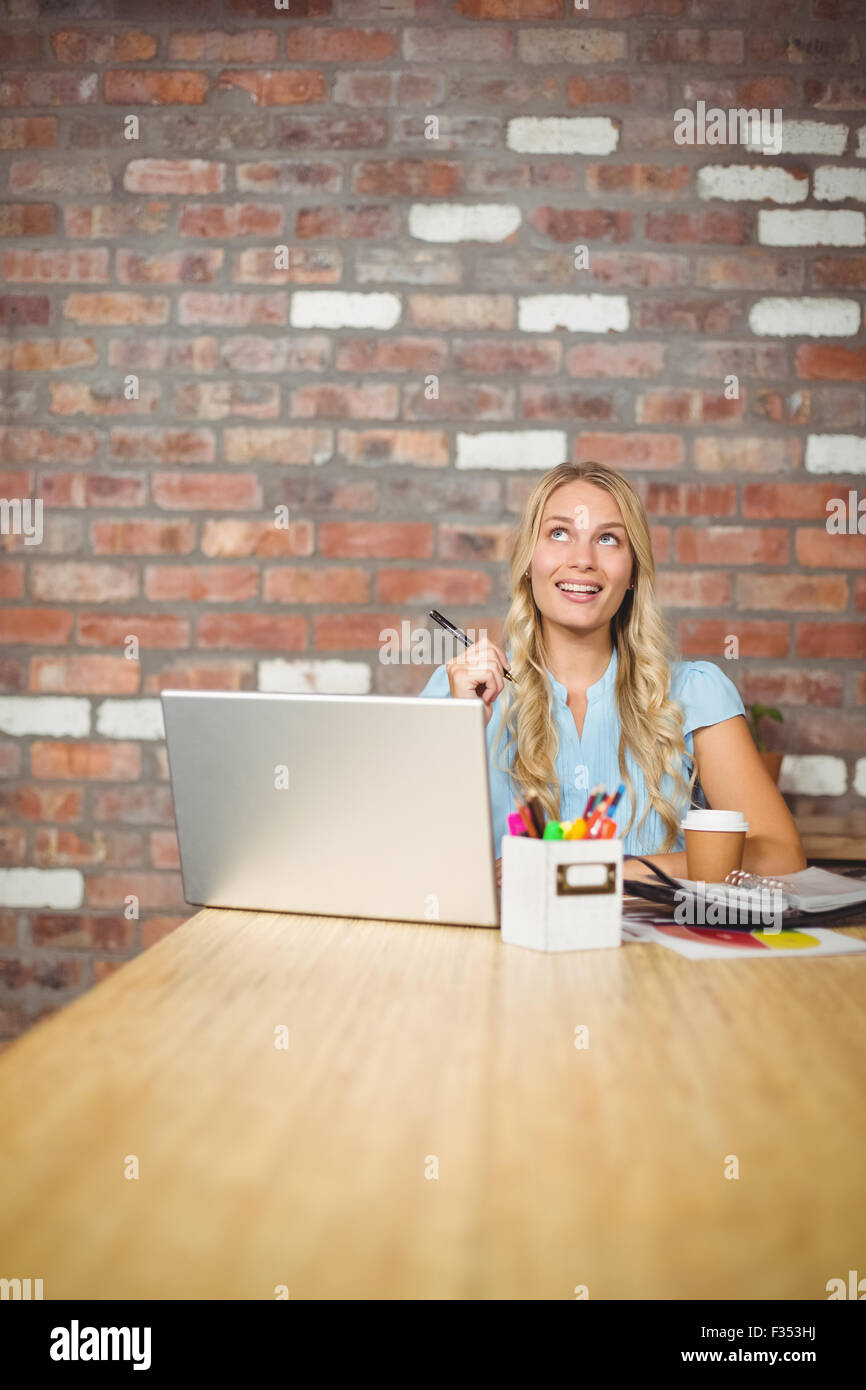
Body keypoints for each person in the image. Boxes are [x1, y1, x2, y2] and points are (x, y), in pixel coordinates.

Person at [417, 461, 806, 888]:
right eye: (559, 533)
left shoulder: (696, 694)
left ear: (634, 571)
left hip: (653, 953)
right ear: (528, 560)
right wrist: (460, 727)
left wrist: (593, 871)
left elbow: (781, 854)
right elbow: (409, 858)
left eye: (607, 539)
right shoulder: (458, 692)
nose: (582, 560)